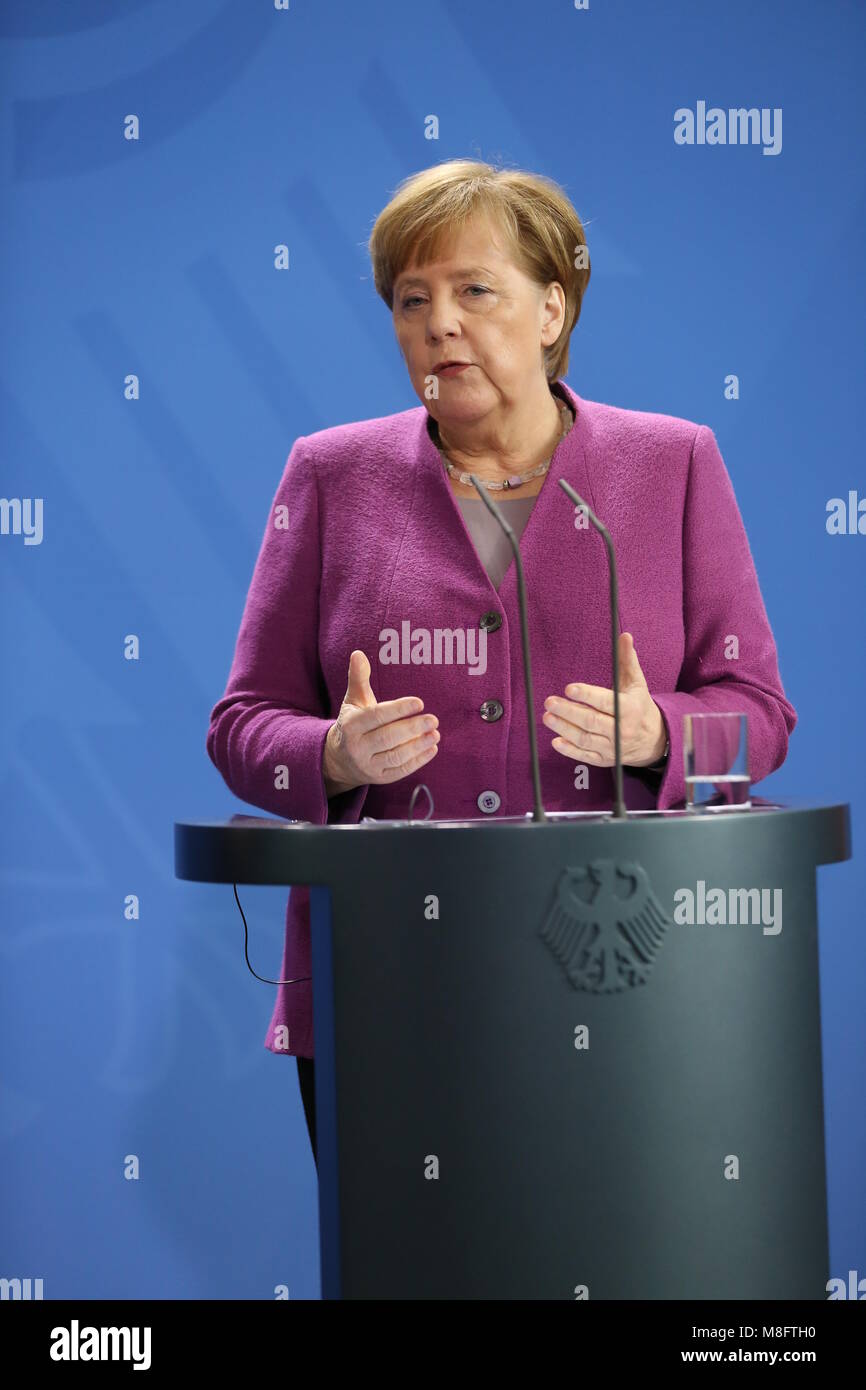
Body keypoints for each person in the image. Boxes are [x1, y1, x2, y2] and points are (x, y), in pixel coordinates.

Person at [206, 159, 797, 1169]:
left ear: (551, 307)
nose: (438, 323)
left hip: (622, 966)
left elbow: (758, 718)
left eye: (474, 289)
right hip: (390, 978)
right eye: (411, 298)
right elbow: (243, 723)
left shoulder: (672, 463)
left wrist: (660, 731)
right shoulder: (328, 474)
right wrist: (334, 755)